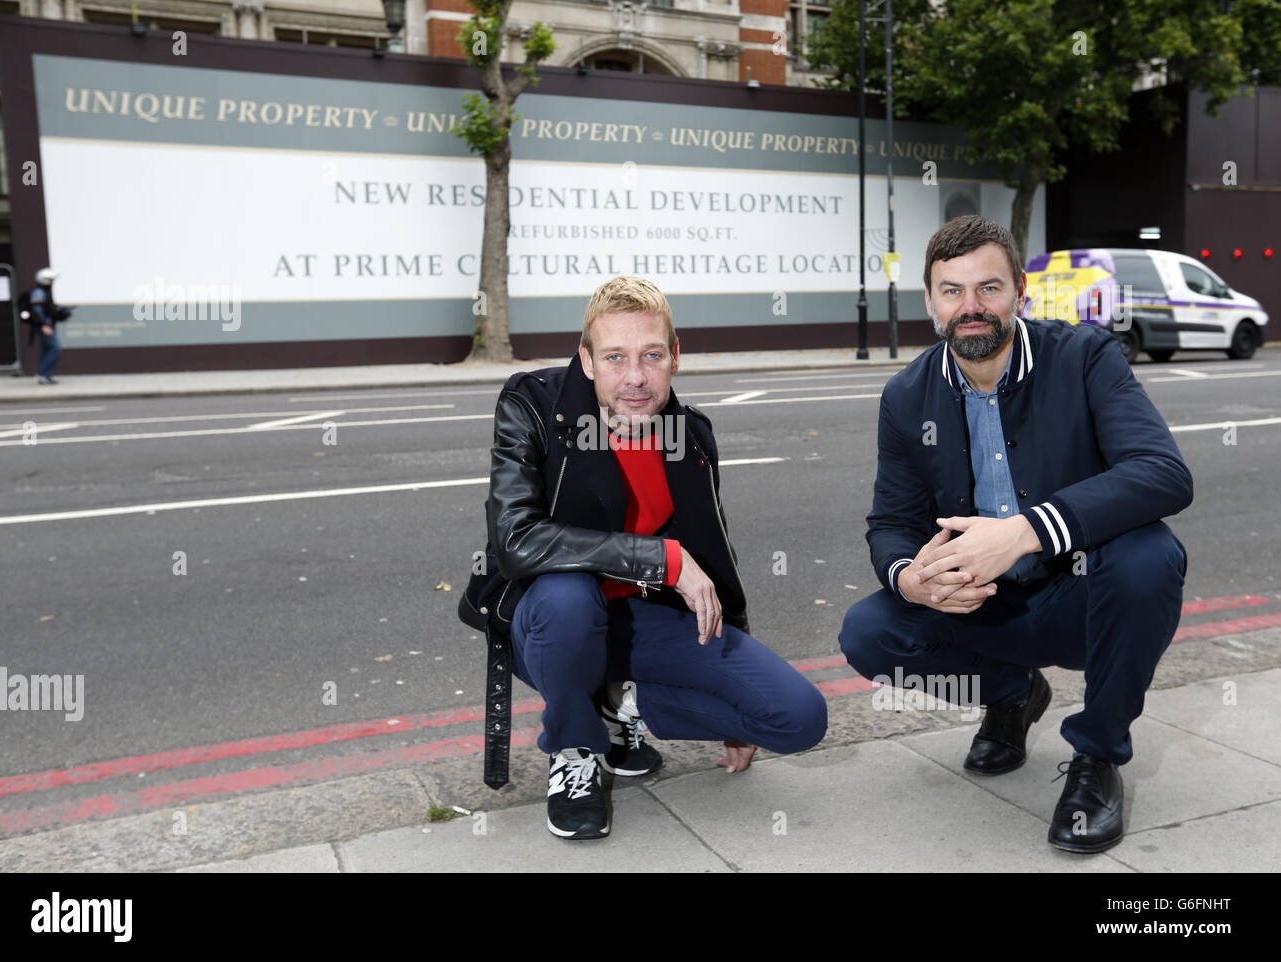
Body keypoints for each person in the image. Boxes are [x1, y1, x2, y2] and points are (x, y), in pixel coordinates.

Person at [838, 215, 1192, 854]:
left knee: (1149, 557)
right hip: (983, 606)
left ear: (1020, 293)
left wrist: (1028, 531)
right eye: (952, 291)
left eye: (989, 288)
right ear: (930, 302)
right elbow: (890, 522)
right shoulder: (905, 395)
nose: (971, 308)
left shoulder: (1083, 356)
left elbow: (1162, 473)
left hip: (1082, 597)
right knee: (871, 633)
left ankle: (1096, 759)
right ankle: (1011, 693)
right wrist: (910, 579)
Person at [461, 275, 827, 840]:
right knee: (568, 594)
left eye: (651, 355)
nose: (635, 377)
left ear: (675, 357)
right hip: (549, 626)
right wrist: (660, 559)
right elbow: (516, 540)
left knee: (798, 717)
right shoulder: (533, 406)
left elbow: (714, 550)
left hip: (647, 621)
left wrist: (736, 675)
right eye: (615, 356)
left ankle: (619, 703)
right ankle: (576, 749)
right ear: (586, 360)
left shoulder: (691, 434)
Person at [26, 267, 72, 385]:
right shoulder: (38, 292)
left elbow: (49, 309)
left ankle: (44, 375)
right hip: (44, 326)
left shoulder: (44, 293)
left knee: (45, 350)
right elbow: (37, 310)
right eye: (51, 280)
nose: (52, 283)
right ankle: (44, 375)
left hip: (46, 325)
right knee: (55, 349)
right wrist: (43, 325)